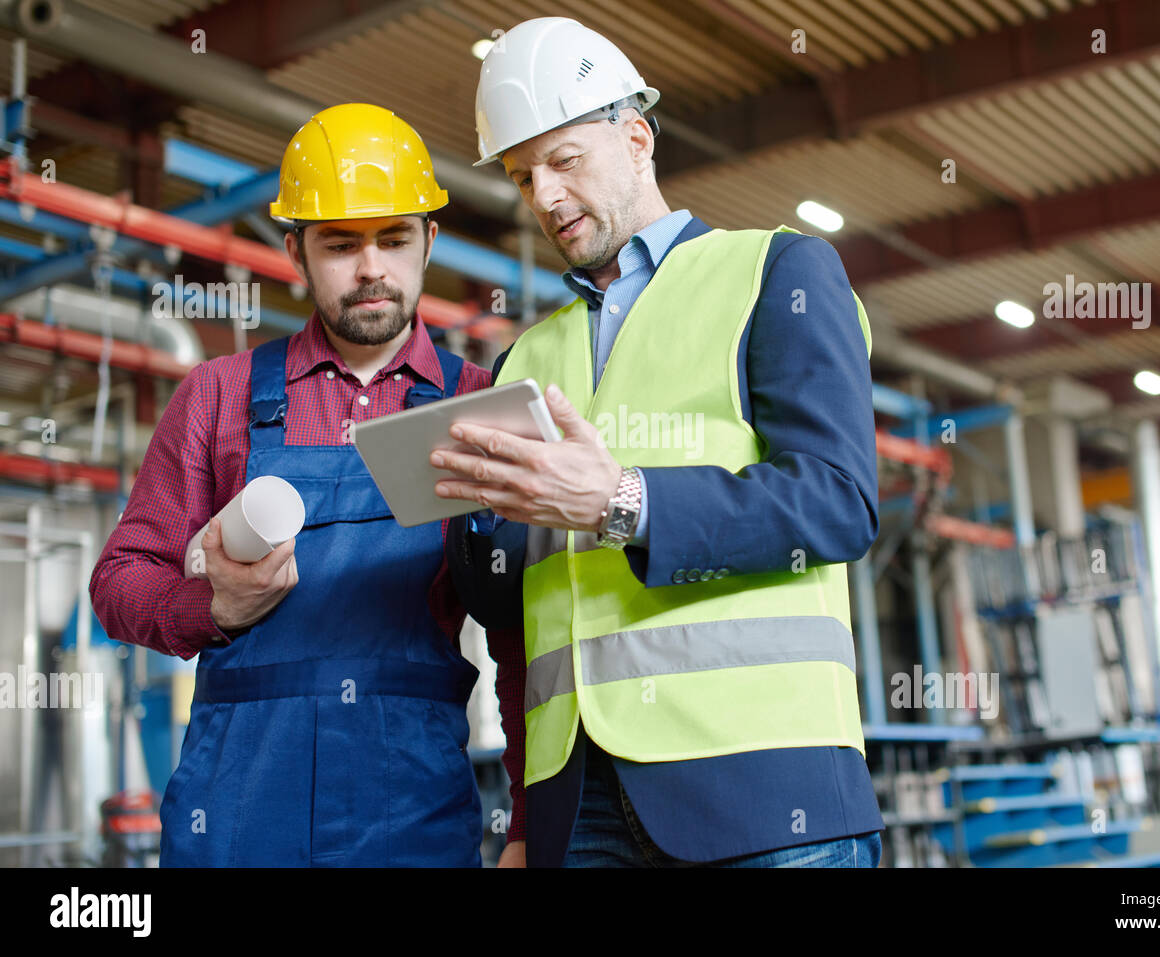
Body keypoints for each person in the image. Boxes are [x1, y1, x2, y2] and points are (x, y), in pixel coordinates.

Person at [439, 18, 885, 868]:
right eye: (523, 175)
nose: (547, 197)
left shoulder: (776, 275)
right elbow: (513, 606)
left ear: (636, 137)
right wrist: (467, 520)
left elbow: (838, 501)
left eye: (565, 161)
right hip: (578, 796)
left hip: (762, 785)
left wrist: (621, 501)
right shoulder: (524, 358)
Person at [89, 103, 526, 867]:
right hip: (237, 811)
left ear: (429, 240)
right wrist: (210, 606)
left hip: (413, 810)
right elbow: (118, 582)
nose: (370, 269)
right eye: (340, 243)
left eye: (393, 238)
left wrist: (526, 820)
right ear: (294, 251)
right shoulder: (219, 396)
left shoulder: (479, 404)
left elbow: (522, 635)